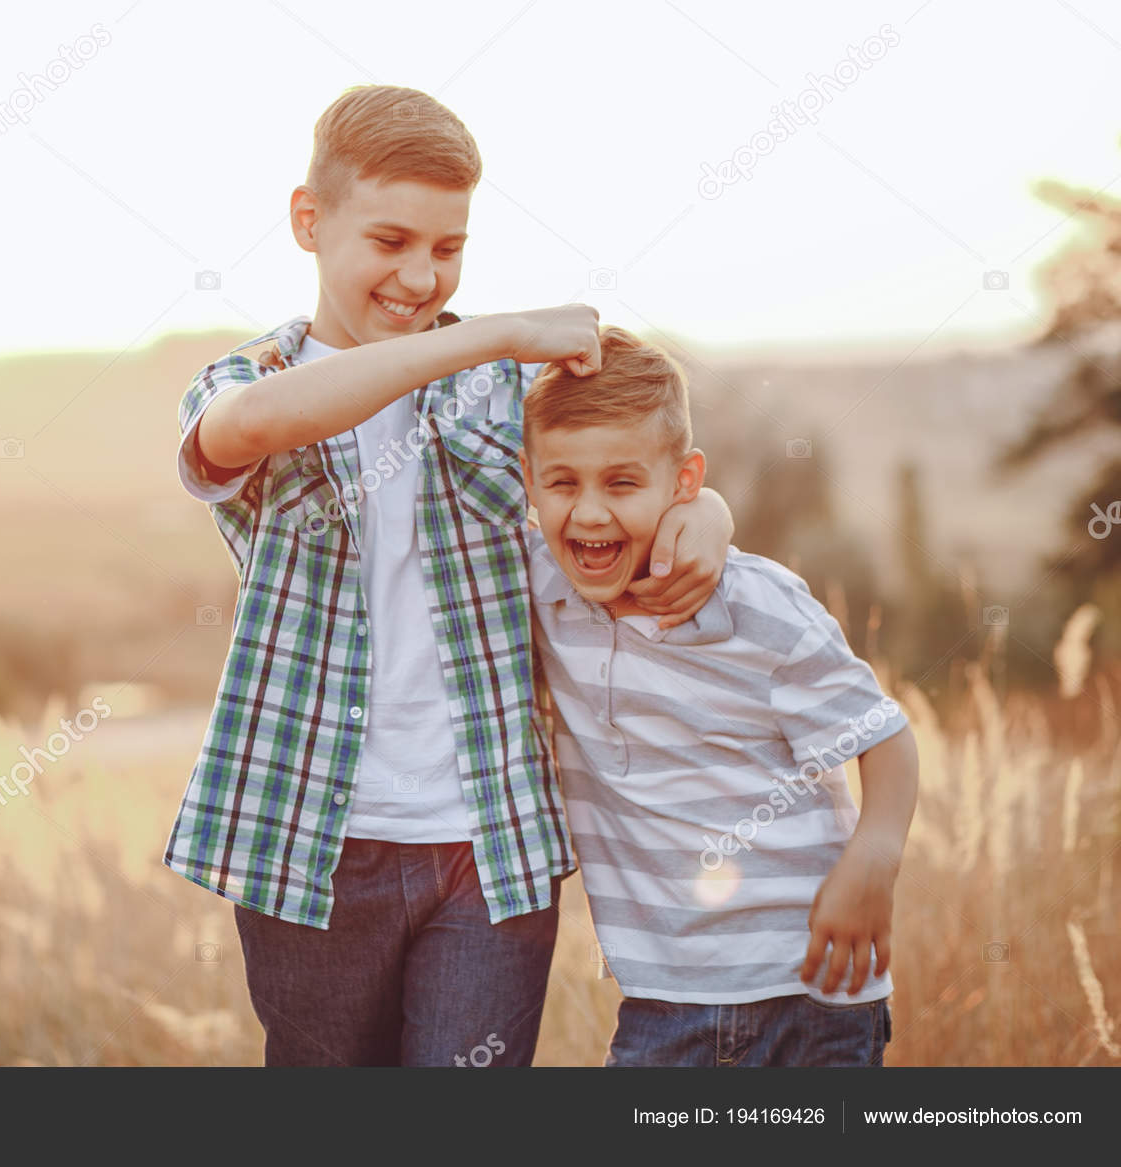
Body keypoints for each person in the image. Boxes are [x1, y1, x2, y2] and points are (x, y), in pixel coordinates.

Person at [164, 85, 735, 1066]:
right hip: (309, 845)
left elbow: (639, 459)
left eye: (447, 248)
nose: (421, 276)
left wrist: (705, 514)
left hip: (487, 841)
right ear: (309, 220)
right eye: (389, 242)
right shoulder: (251, 380)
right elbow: (241, 435)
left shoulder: (515, 393)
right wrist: (486, 334)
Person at [520, 326, 919, 1066]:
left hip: (817, 991)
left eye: (623, 482)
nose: (591, 512)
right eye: (563, 481)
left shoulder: (757, 606)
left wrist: (876, 857)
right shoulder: (545, 589)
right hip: (663, 1000)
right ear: (530, 480)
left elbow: (884, 734)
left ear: (684, 481)